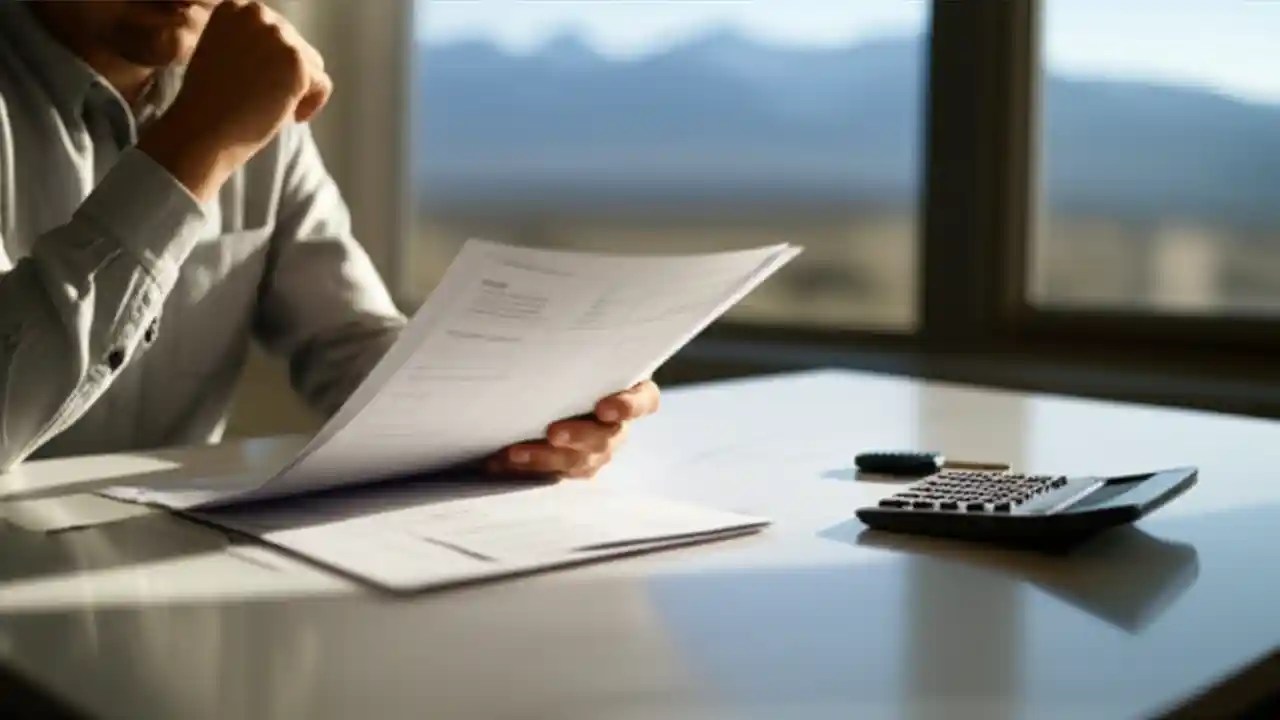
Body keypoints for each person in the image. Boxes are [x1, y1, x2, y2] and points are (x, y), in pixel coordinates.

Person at [0, 0, 660, 477]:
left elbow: (350, 344)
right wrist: (199, 142)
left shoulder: (249, 100)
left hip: (156, 578)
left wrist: (533, 414)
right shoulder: (232, 100)